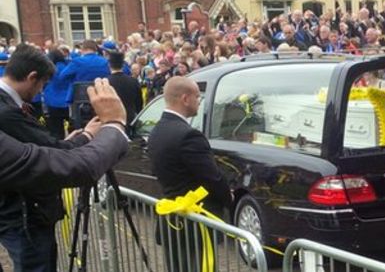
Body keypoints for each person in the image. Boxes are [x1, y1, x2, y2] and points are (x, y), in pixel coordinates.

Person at [0, 49, 127, 272]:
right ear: (32, 77)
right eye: (43, 84)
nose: (42, 91)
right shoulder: (6, 112)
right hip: (23, 217)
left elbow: (42, 150)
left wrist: (71, 142)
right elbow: (59, 160)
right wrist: (108, 126)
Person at [148, 76, 232, 272]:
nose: (199, 101)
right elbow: (211, 177)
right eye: (197, 96)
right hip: (194, 223)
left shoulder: (157, 131)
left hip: (171, 219)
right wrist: (228, 197)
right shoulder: (188, 135)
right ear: (185, 99)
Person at [107, 52, 143, 134]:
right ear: (123, 65)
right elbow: (139, 103)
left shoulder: (106, 82)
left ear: (109, 65)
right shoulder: (133, 81)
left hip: (112, 121)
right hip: (130, 119)